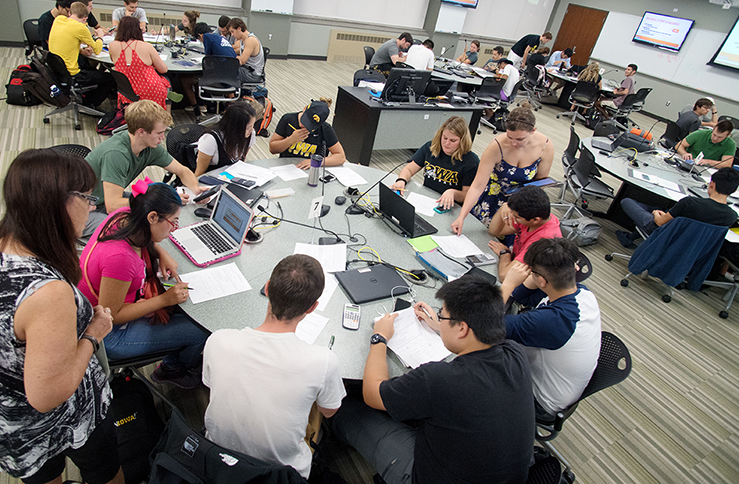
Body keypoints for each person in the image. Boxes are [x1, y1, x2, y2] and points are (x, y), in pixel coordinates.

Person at [0, 149, 123, 484]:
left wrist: (7, 336)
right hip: (55, 417)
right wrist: (94, 333)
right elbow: (47, 395)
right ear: (61, 203)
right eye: (86, 197)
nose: (92, 205)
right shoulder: (46, 292)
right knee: (104, 471)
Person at [332, 275, 534, 484]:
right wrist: (442, 327)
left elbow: (372, 394)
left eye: (442, 315)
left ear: (463, 328)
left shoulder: (439, 378)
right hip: (505, 474)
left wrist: (380, 337)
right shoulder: (515, 353)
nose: (439, 318)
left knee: (343, 405)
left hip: (431, 476)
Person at [202, 254, 345, 478]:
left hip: (216, 461)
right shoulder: (323, 361)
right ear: (312, 307)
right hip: (280, 475)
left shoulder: (218, 340)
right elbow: (329, 410)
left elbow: (210, 384)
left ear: (267, 288)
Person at [79, 180, 207, 389]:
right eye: (173, 222)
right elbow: (113, 315)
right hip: (109, 336)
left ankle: (174, 353)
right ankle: (172, 368)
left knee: (182, 312)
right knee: (199, 330)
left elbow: (147, 238)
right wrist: (163, 300)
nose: (173, 229)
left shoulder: (122, 216)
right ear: (152, 217)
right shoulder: (121, 258)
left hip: (101, 310)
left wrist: (160, 252)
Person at [499, 238, 602, 418]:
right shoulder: (582, 293)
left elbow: (484, 323)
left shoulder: (550, 321)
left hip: (538, 402)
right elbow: (521, 297)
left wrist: (508, 283)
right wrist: (536, 277)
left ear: (542, 280)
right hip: (558, 386)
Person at [84, 100, 208, 237]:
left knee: (153, 215)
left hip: (100, 201)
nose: (163, 137)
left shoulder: (148, 146)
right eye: (159, 133)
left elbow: (182, 171)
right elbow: (112, 204)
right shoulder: (116, 154)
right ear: (141, 132)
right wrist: (161, 202)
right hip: (79, 212)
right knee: (137, 228)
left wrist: (196, 190)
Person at [452, 103, 554, 232]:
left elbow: (539, 185)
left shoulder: (545, 146)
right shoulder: (497, 146)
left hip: (518, 209)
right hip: (491, 200)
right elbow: (478, 185)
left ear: (533, 131)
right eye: (509, 137)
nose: (513, 143)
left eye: (520, 139)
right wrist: (461, 216)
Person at [616, 166, 739, 248]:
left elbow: (660, 222)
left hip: (664, 233)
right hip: (688, 245)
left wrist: (656, 214)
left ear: (712, 184)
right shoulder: (731, 216)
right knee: (659, 210)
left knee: (627, 201)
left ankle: (632, 236)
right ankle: (630, 237)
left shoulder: (690, 202)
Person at [390, 116, 479, 209]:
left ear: (462, 141)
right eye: (444, 138)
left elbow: (467, 196)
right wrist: (401, 180)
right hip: (426, 200)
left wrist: (453, 192)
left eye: (453, 140)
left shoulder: (471, 161)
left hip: (449, 207)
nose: (447, 143)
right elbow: (409, 169)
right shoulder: (430, 147)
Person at [48, 1, 116, 110]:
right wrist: (100, 36)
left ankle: (86, 98)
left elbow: (64, 41)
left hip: (57, 71)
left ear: (70, 13)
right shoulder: (80, 28)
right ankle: (91, 103)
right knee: (110, 78)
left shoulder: (58, 20)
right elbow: (97, 50)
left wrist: (80, 50)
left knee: (92, 70)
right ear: (85, 19)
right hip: (73, 74)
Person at [487, 185, 562, 282]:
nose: (514, 218)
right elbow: (494, 231)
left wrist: (504, 254)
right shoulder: (534, 216)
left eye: (516, 217)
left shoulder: (543, 240)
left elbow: (505, 276)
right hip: (516, 263)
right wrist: (504, 207)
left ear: (535, 220)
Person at [108, 16, 172, 110]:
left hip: (126, 91)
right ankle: (167, 119)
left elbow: (116, 62)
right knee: (167, 81)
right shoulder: (146, 46)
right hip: (149, 90)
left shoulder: (112, 45)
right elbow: (163, 69)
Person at [269, 98, 346, 169]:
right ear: (304, 108)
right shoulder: (288, 119)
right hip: (286, 167)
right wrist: (291, 139)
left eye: (311, 126)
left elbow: (341, 157)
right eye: (305, 121)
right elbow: (273, 149)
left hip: (311, 170)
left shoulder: (325, 128)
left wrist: (316, 162)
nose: (305, 126)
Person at [194, 101, 257, 176]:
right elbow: (199, 173)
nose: (252, 130)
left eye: (253, 125)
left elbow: (240, 163)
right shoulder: (210, 139)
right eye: (248, 127)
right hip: (211, 178)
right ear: (235, 127)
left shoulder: (250, 134)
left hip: (230, 176)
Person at [227, 17, 265, 83]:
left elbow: (242, 61)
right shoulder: (242, 40)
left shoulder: (250, 40)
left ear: (239, 29)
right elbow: (234, 48)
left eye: (232, 32)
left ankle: (228, 92)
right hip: (247, 70)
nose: (232, 35)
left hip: (253, 74)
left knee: (227, 70)